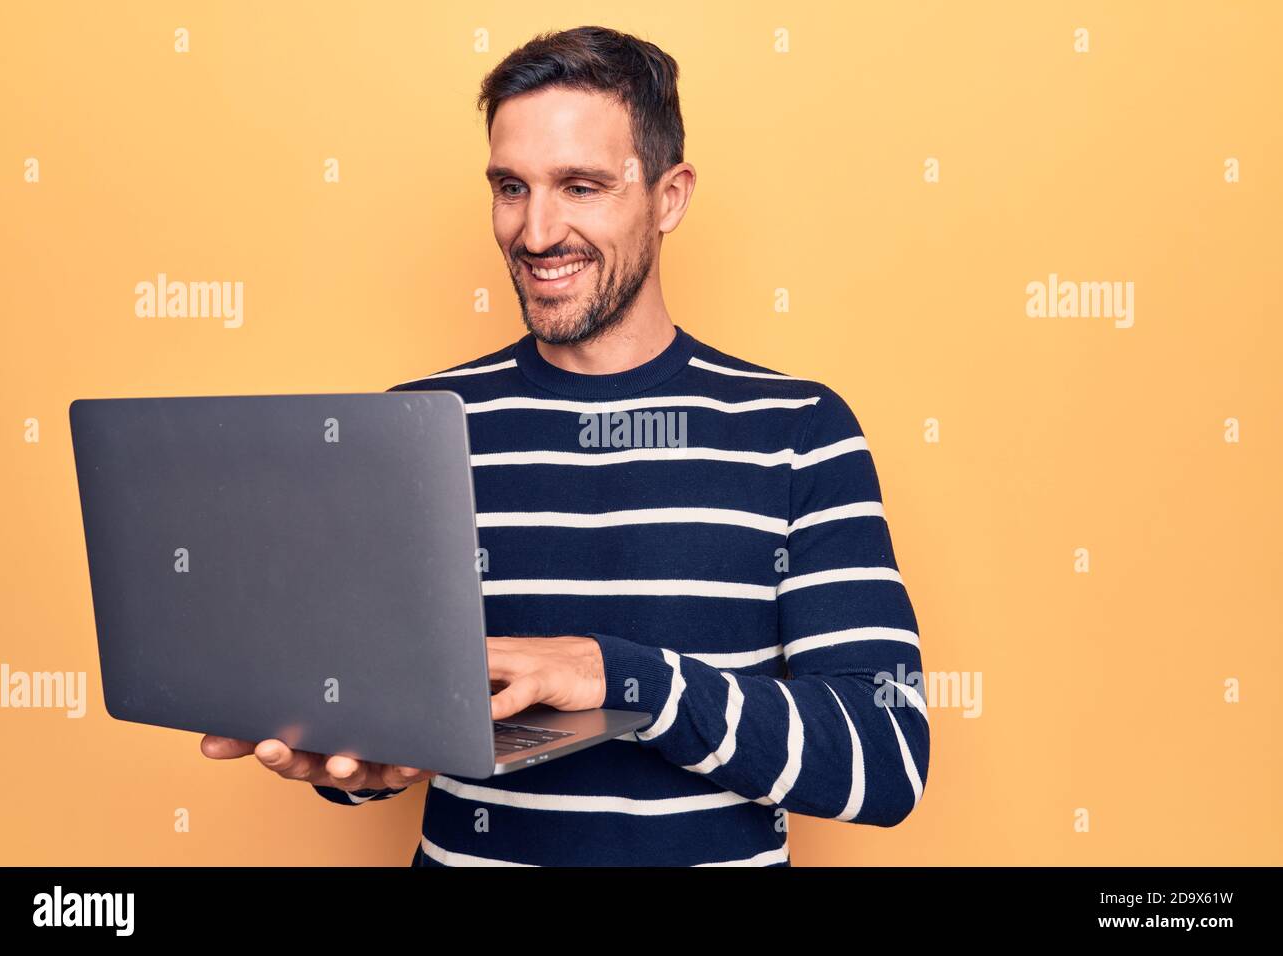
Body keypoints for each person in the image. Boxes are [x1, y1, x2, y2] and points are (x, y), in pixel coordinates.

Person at [202, 24, 928, 866]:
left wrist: (623, 679)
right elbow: (374, 718)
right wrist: (352, 763)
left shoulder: (799, 430)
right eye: (512, 187)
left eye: (581, 187)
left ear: (670, 195)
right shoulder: (416, 429)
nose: (536, 233)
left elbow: (886, 759)